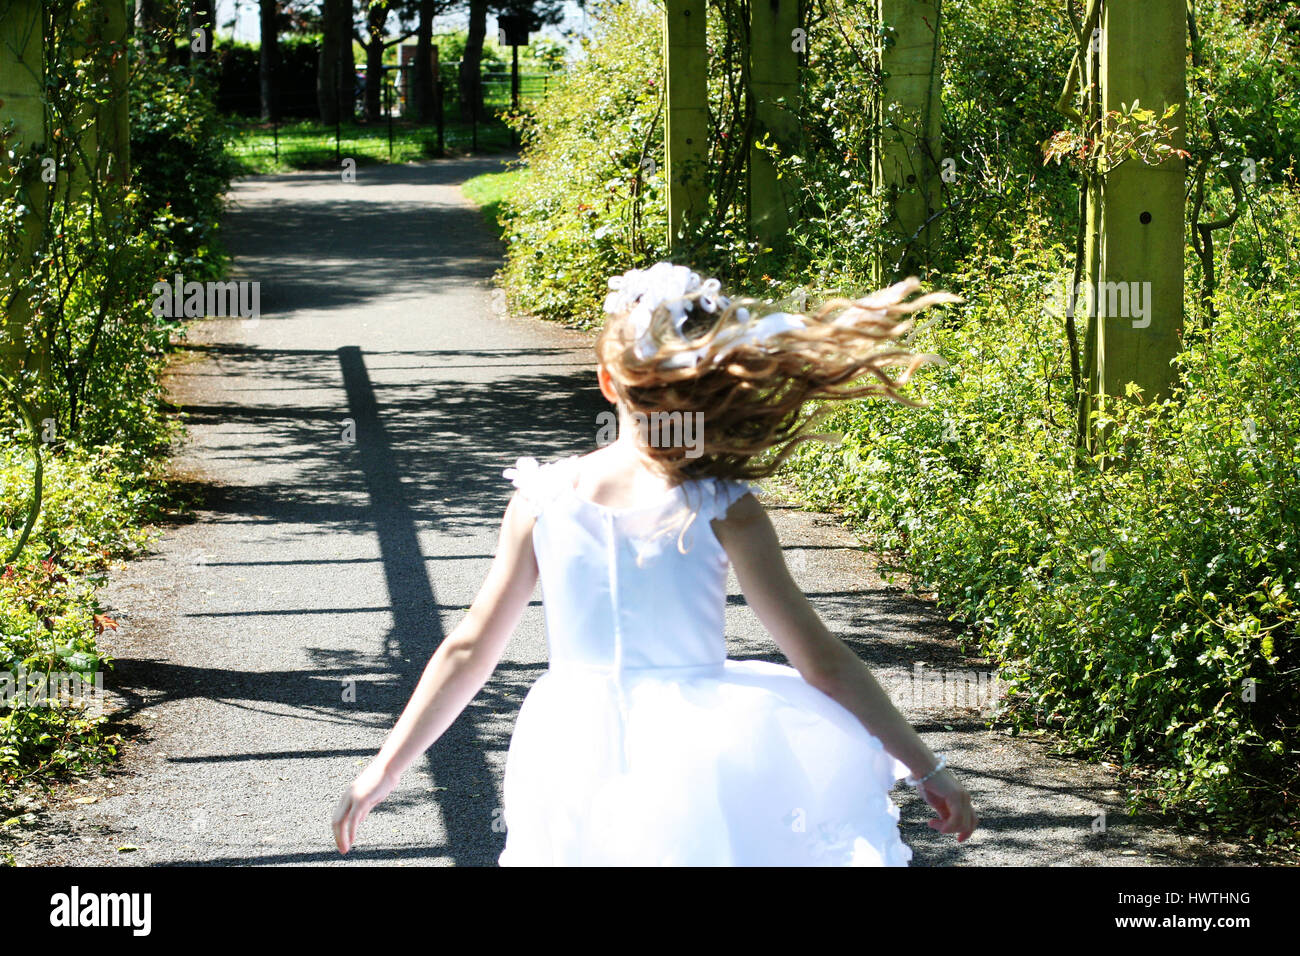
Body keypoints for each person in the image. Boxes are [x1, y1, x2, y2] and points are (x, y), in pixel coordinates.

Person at [333, 262, 978, 864]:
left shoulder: (543, 500)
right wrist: (923, 765)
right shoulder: (724, 505)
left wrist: (385, 768)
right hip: (694, 756)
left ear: (608, 382)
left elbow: (468, 650)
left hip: (566, 750)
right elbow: (822, 662)